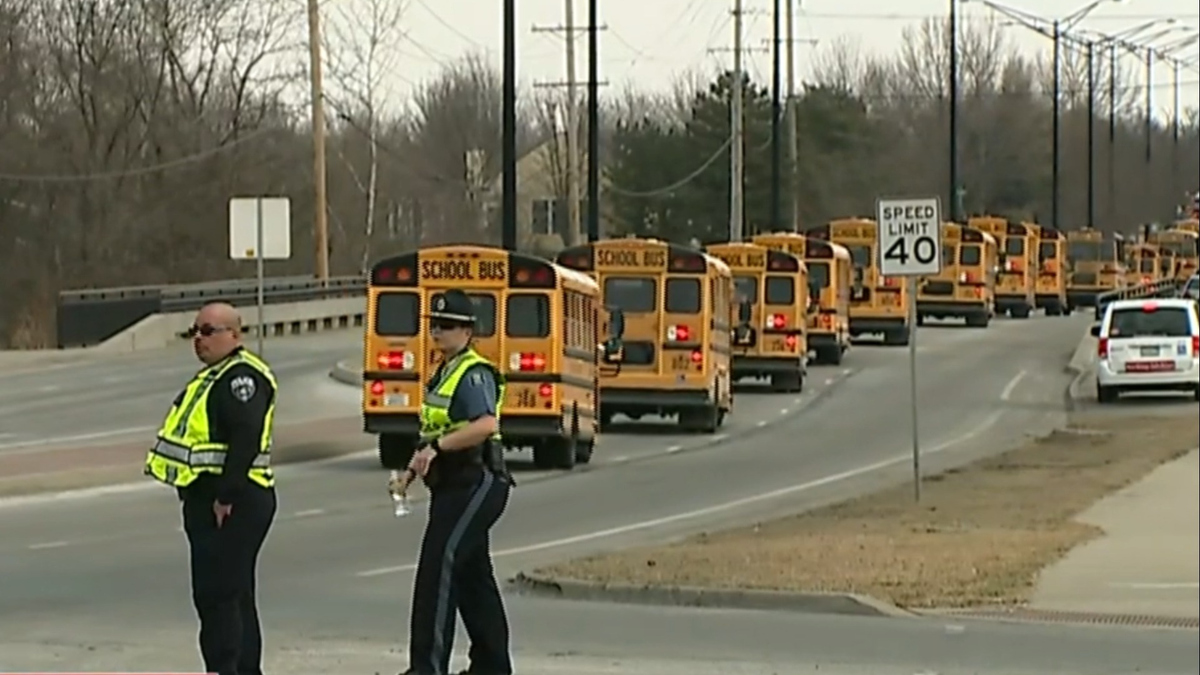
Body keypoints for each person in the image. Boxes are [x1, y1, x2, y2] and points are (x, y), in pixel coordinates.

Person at [144, 301, 278, 675]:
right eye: (194, 332)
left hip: (235, 501)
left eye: (208, 331)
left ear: (234, 335)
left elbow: (245, 437)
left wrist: (225, 496)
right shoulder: (213, 376)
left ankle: (226, 669)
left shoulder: (242, 378)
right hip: (211, 499)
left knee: (218, 595)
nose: (198, 340)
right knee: (233, 594)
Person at [399, 289, 514, 675]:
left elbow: (485, 424)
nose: (438, 332)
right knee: (472, 575)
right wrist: (412, 470)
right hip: (450, 484)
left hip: (477, 480)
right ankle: (492, 666)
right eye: (434, 324)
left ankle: (426, 668)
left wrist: (437, 449)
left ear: (467, 332)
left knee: (438, 566)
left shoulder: (473, 372)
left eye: (447, 326)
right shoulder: (442, 372)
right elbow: (435, 432)